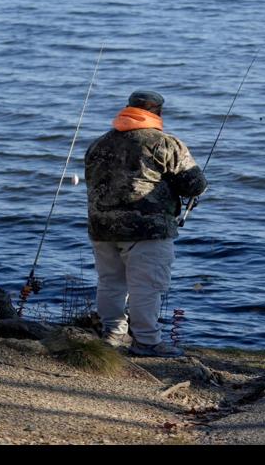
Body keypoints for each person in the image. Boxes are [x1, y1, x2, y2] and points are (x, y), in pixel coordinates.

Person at [83, 89, 207, 357]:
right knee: (147, 286)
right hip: (147, 229)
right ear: (158, 112)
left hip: (101, 227)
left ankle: (113, 335)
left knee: (110, 283)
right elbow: (195, 185)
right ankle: (147, 342)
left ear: (128, 108)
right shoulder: (164, 144)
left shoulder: (98, 144)